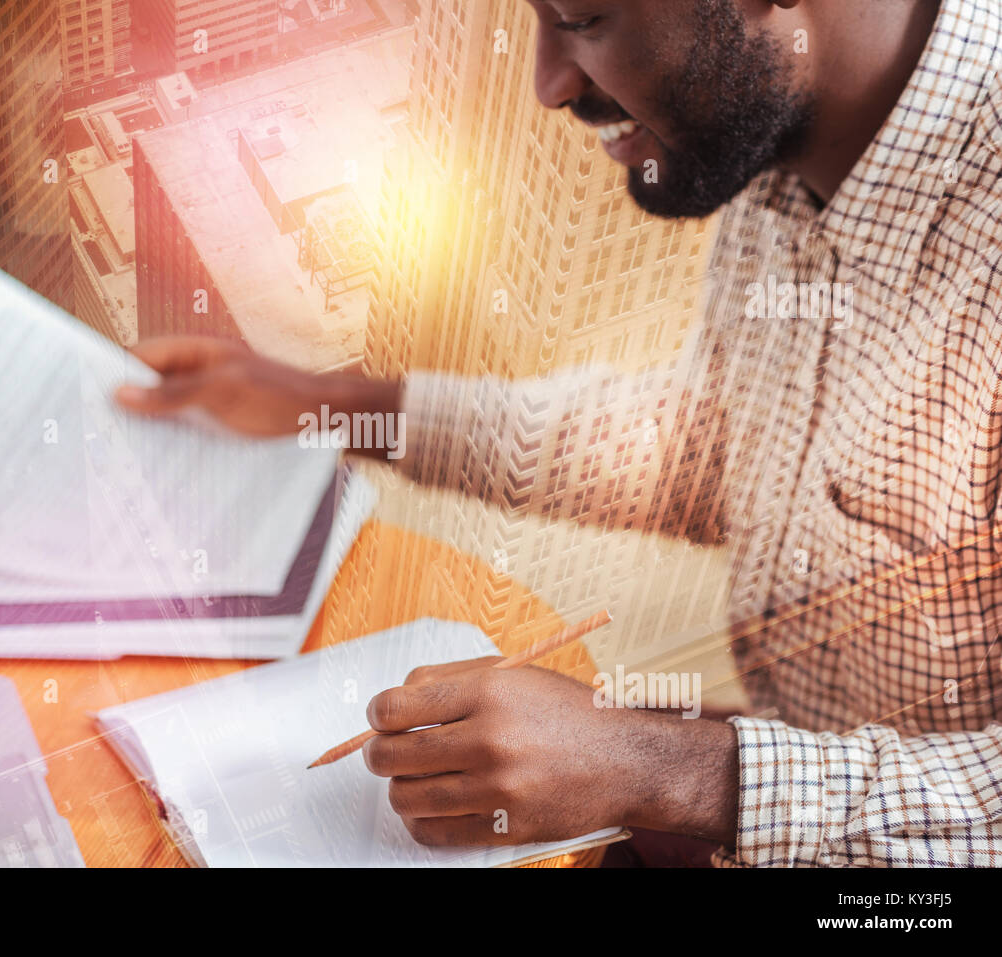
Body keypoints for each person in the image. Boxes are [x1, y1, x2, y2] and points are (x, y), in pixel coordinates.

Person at [117, 0, 1002, 866]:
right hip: (789, 779)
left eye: (582, 20)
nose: (547, 83)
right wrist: (345, 406)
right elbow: (701, 449)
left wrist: (663, 769)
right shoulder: (781, 142)